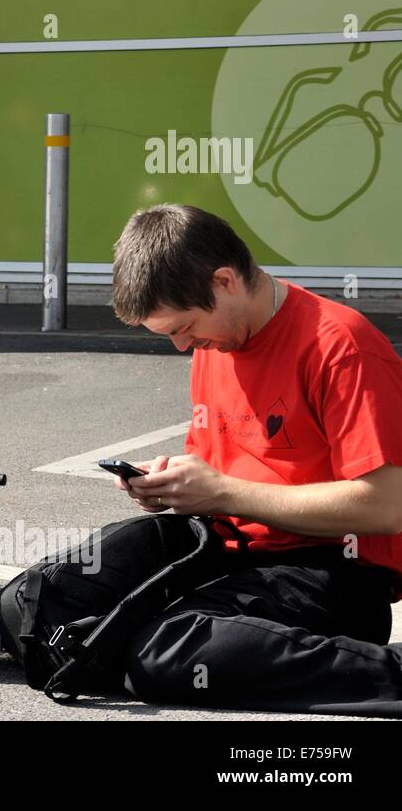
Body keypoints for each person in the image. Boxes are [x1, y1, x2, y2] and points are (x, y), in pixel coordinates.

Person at [79, 204, 401, 716]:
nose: (183, 346)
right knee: (43, 606)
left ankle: (386, 674)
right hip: (225, 548)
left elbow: (386, 507)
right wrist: (170, 483)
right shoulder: (218, 340)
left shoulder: (342, 346)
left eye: (183, 327)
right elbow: (218, 464)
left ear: (225, 281)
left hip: (330, 573)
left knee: (163, 656)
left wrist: (222, 492)